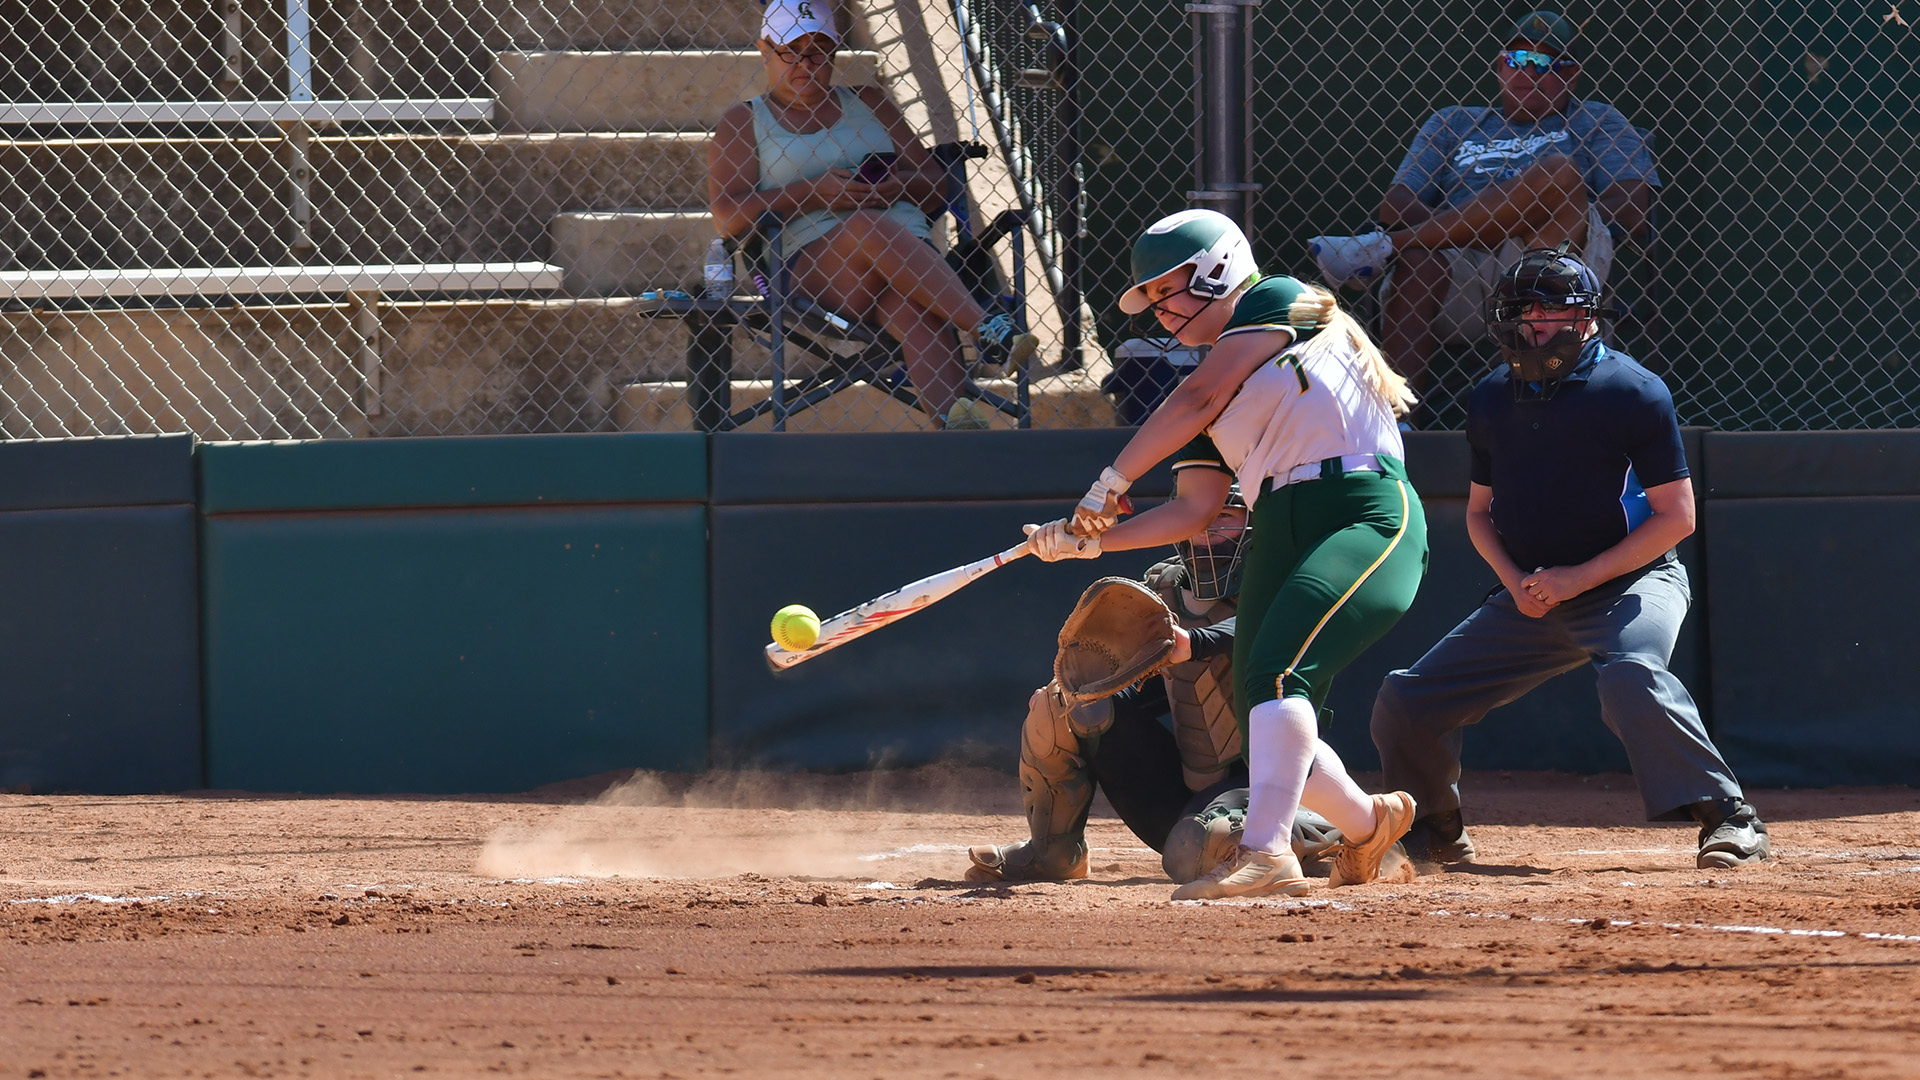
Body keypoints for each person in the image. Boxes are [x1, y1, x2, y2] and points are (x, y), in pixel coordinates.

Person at [1023, 207, 1429, 900]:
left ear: (1216, 268)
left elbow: (1200, 391)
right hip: (1279, 521)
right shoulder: (1216, 404)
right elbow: (1194, 509)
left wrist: (1110, 483)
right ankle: (1369, 825)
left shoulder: (1277, 299)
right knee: (1260, 707)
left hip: (1361, 507)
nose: (1160, 310)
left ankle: (1266, 850)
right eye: (1149, 299)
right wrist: (1088, 543)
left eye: (1167, 288)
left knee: (1273, 677)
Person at [1368, 247, 1770, 871]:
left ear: (1587, 319)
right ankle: (1435, 828)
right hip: (1533, 593)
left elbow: (1677, 518)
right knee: (1408, 700)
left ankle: (1729, 816)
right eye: (1522, 310)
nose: (1535, 323)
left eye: (1551, 309)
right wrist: (1516, 583)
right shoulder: (1493, 397)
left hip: (1632, 580)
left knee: (1630, 675)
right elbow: (1479, 514)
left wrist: (1576, 578)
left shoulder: (1632, 391)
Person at [965, 485, 1346, 885]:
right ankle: (1054, 854)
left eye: (1225, 518)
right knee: (1061, 706)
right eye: (1202, 518)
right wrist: (1084, 695)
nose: (1207, 533)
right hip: (1183, 789)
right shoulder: (1162, 590)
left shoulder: (1286, 584)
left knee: (1199, 847)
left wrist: (1193, 643)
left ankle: (1337, 831)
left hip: (1265, 786)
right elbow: (1147, 687)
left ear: (1256, 524)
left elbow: (1264, 628)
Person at [706, 0, 1035, 428]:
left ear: (836, 53)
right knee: (865, 227)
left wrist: (892, 187)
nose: (806, 62)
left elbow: (936, 184)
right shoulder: (745, 121)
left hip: (907, 260)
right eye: (791, 49)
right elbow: (728, 217)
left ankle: (961, 434)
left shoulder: (869, 102)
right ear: (764, 50)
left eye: (819, 49)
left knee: (912, 308)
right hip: (815, 272)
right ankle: (987, 326)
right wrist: (814, 193)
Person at [1307, 10, 1659, 404]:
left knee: (1560, 172)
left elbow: (1632, 209)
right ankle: (1396, 422)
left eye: (1545, 62)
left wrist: (1513, 216)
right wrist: (1477, 228)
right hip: (1462, 265)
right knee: (1422, 261)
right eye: (1516, 59)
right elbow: (1397, 203)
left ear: (1571, 75)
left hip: (1555, 258)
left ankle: (1386, 246)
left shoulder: (1597, 120)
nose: (1529, 71)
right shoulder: (1452, 122)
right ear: (1499, 67)